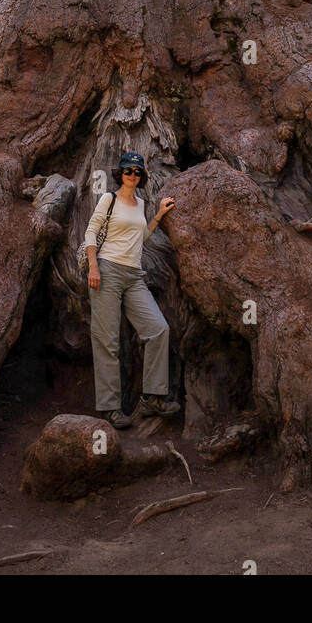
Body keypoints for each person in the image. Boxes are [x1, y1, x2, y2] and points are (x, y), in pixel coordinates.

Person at [84, 150, 181, 429]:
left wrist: (159, 215)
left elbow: (141, 237)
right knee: (107, 340)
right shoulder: (108, 198)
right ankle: (110, 408)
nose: (133, 176)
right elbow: (91, 231)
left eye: (138, 172)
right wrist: (93, 266)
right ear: (120, 173)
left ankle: (151, 398)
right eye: (128, 171)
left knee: (158, 329)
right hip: (107, 270)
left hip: (133, 275)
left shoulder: (140, 204)